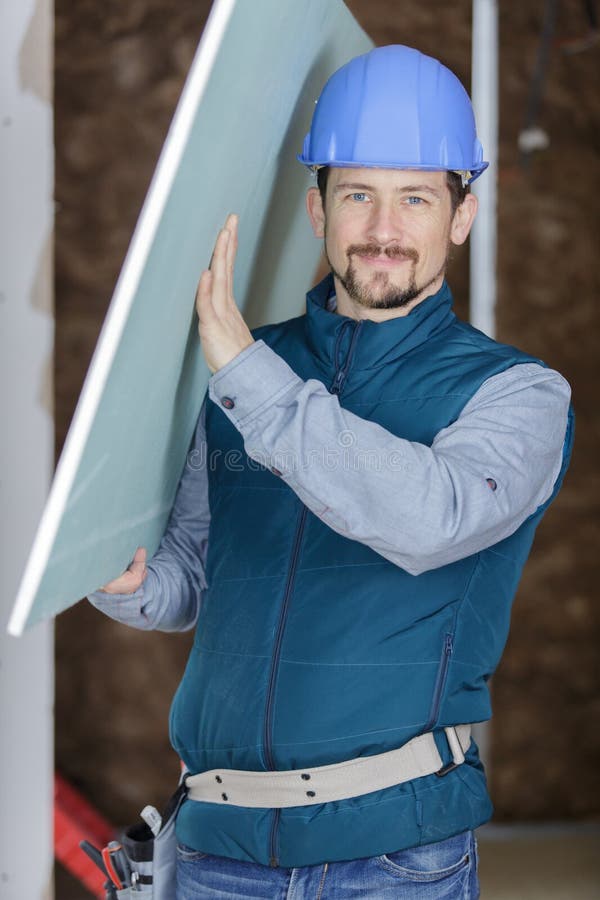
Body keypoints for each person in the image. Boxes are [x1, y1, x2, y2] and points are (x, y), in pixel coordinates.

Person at [89, 45, 573, 899]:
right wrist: (120, 578)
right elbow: (192, 578)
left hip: (390, 859)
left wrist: (248, 379)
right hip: (214, 850)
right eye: (358, 194)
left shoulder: (516, 394)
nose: (384, 230)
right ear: (317, 209)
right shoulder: (248, 367)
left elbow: (430, 519)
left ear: (461, 215)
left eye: (416, 198)